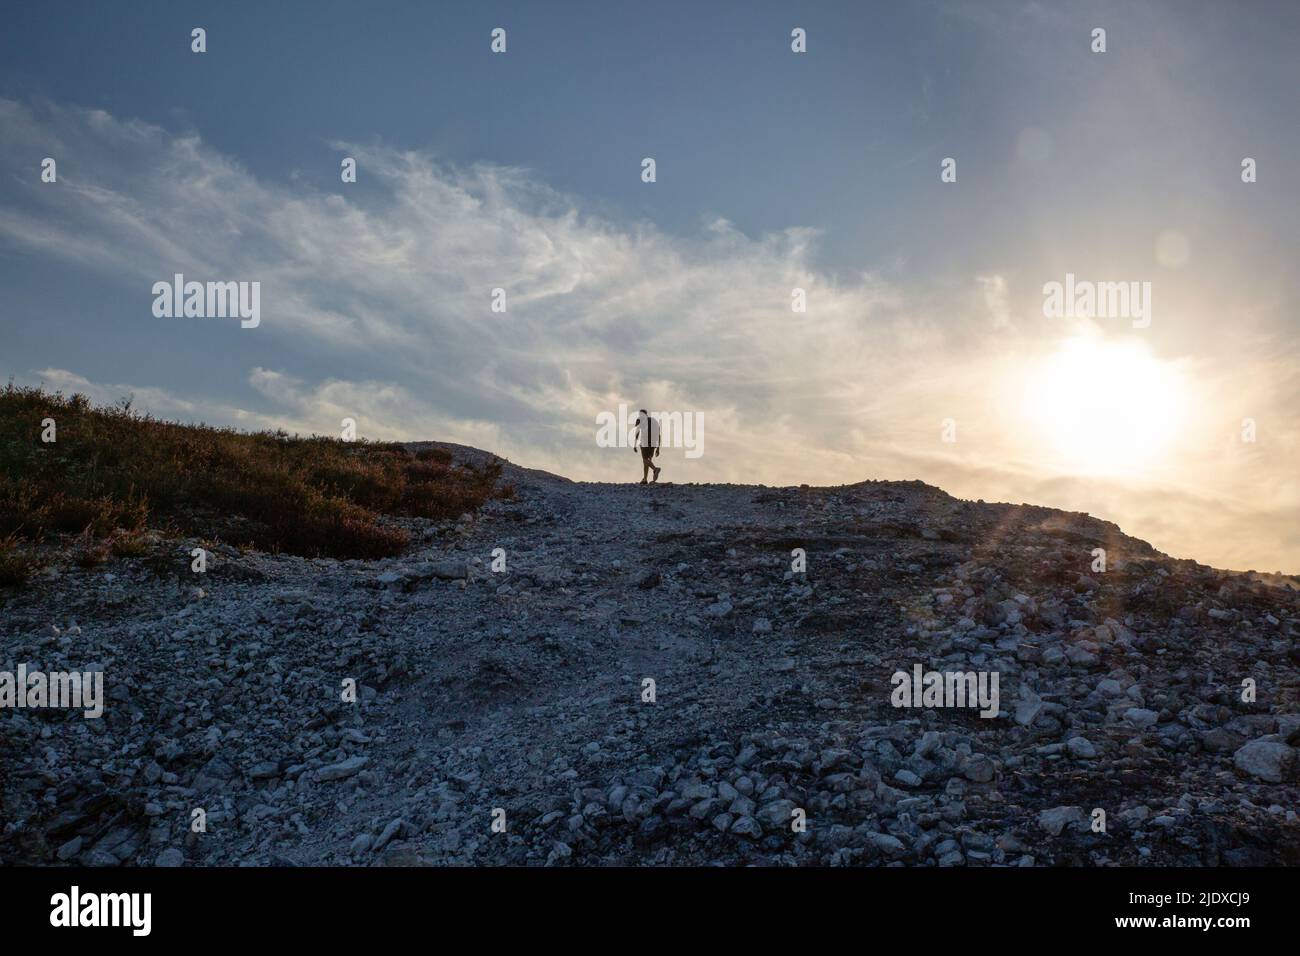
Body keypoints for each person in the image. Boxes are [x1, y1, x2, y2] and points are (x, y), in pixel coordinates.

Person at [632, 408, 661, 484]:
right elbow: (658, 435)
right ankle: (645, 479)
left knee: (645, 460)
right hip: (653, 443)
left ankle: (655, 469)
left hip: (645, 443)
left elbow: (637, 433)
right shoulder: (654, 421)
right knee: (647, 461)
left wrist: (635, 445)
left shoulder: (640, 420)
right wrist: (658, 448)